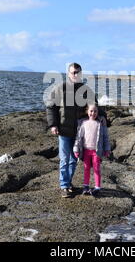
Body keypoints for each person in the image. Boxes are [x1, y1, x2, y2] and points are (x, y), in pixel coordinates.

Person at [45, 63, 105, 198]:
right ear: (68, 73)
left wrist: (103, 118)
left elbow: (95, 107)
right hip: (64, 131)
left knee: (73, 159)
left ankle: (69, 183)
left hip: (79, 133)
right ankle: (64, 186)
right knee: (64, 159)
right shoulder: (60, 88)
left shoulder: (86, 90)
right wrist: (53, 125)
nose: (75, 75)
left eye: (78, 72)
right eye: (73, 72)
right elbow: (50, 108)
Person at [73, 104, 110, 197]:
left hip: (96, 151)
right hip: (86, 151)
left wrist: (107, 149)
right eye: (91, 111)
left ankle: (97, 187)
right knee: (86, 168)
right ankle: (86, 186)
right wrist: (76, 149)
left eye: (95, 111)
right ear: (87, 112)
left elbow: (105, 138)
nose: (93, 113)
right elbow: (78, 138)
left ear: (98, 113)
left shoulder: (100, 124)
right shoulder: (83, 123)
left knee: (97, 169)